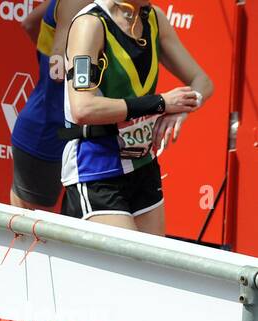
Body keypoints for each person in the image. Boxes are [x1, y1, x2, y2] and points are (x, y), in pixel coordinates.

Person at [60, 1, 212, 234]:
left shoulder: (154, 18)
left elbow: (202, 81)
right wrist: (161, 103)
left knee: (151, 263)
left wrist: (182, 109)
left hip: (143, 163)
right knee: (121, 264)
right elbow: (82, 108)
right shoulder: (90, 25)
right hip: (96, 167)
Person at [9, 0, 85, 210]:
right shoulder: (78, 2)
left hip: (75, 134)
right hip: (47, 131)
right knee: (31, 237)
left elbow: (30, 23)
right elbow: (57, 68)